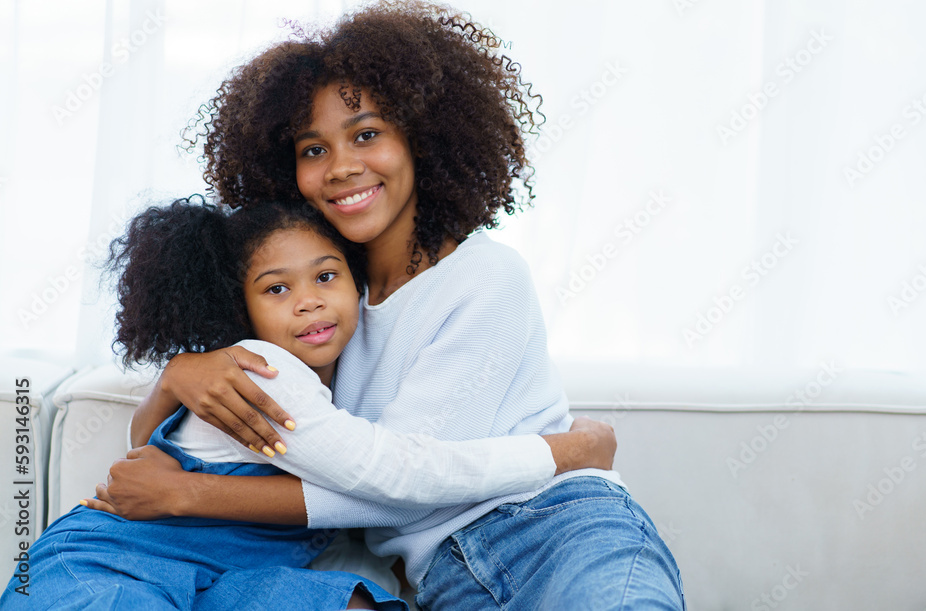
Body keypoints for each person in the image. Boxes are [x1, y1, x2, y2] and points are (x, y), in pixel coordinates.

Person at [93, 0, 685, 609]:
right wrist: (179, 373)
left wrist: (191, 496)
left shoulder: (485, 275)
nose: (342, 167)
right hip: (445, 578)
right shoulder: (317, 304)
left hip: (558, 530)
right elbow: (171, 446)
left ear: (421, 141)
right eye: (313, 149)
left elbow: (396, 482)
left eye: (367, 135)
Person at [2, 197, 601, 609]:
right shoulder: (269, 369)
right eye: (277, 289)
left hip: (239, 578)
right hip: (120, 561)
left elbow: (154, 443)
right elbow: (389, 476)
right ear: (242, 310)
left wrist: (169, 389)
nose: (310, 302)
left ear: (357, 282)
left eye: (326, 276)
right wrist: (568, 451)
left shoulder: (352, 373)